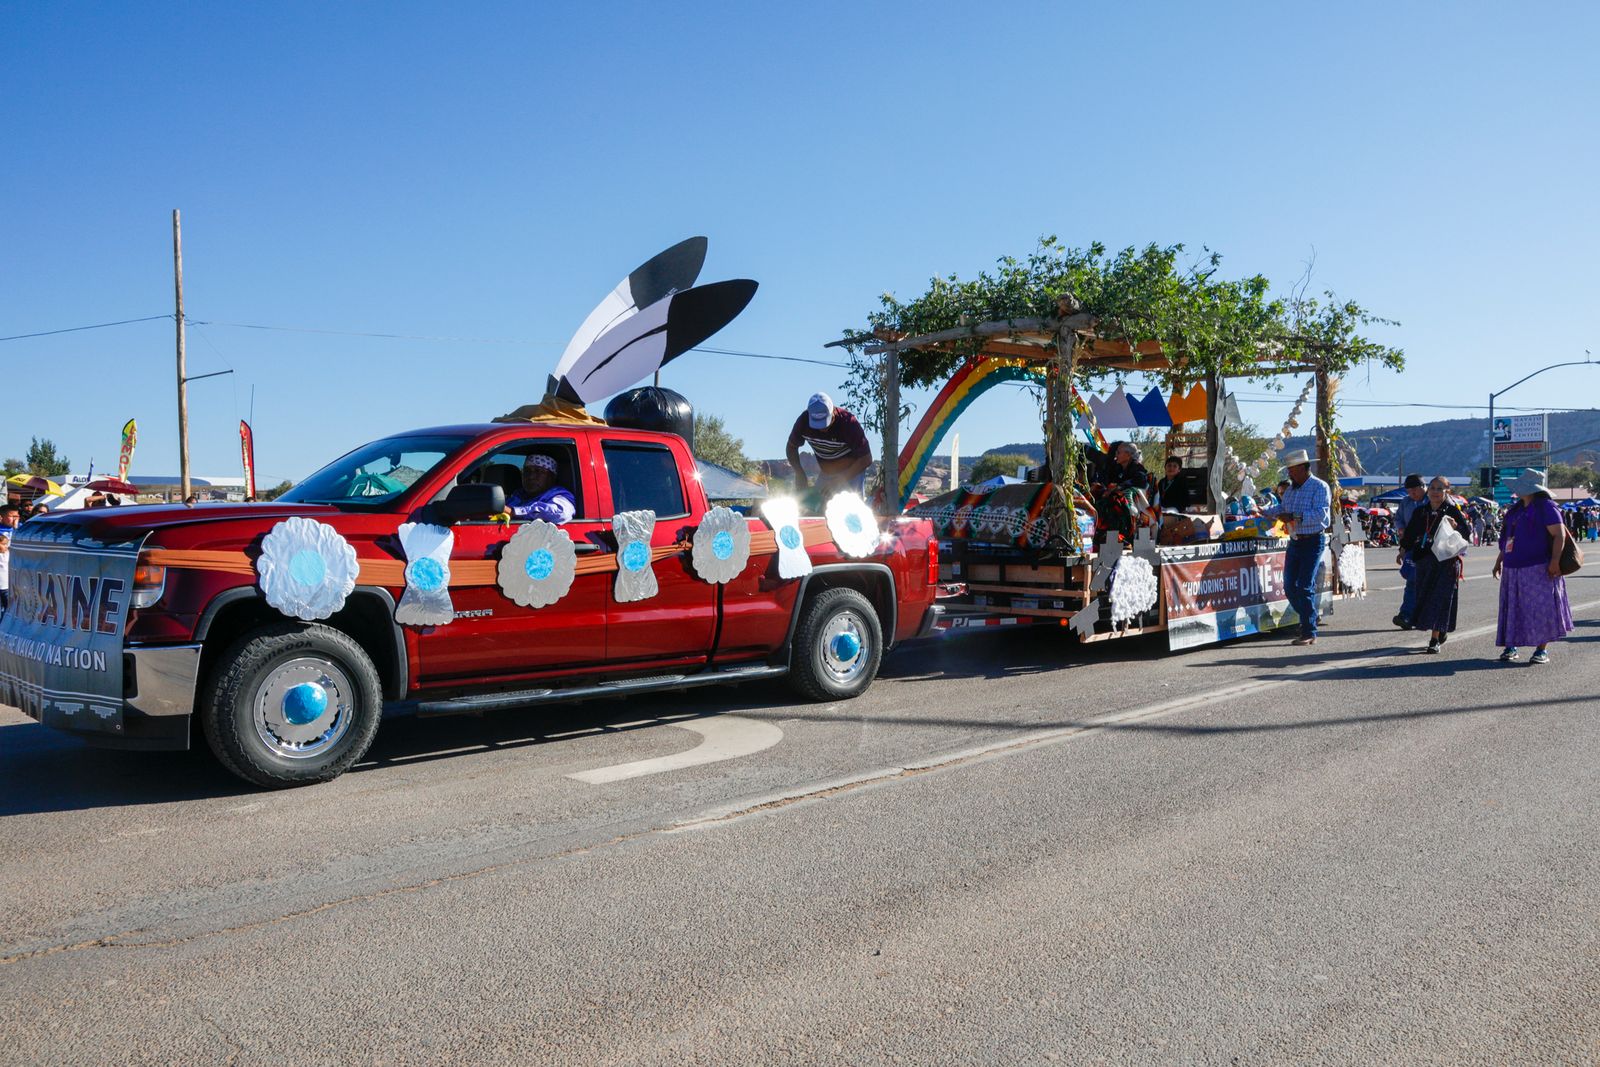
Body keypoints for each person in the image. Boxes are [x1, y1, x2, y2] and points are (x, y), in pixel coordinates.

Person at [1493, 469, 1573, 664]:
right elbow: (1508, 540)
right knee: (1514, 607)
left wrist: (1555, 561)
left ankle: (1541, 649)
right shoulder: (1516, 509)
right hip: (1513, 567)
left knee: (1540, 608)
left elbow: (1559, 535)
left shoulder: (1546, 507)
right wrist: (1499, 560)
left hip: (1538, 566)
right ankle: (1511, 646)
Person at [1399, 478, 1468, 653]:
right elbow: (1410, 533)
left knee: (1440, 598)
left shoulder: (1452, 511)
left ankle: (1434, 639)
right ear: (1428, 490)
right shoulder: (1421, 511)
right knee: (1426, 597)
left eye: (1440, 488)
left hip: (1446, 562)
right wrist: (1402, 550)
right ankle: (1440, 629)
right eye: (1432, 488)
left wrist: (1455, 526)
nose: (1435, 491)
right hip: (1424, 560)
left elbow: (1467, 533)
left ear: (1447, 491)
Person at [1274, 448, 1331, 646]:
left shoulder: (1320, 487)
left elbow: (1322, 517)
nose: (1289, 473)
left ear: (1302, 468)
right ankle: (1310, 618)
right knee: (1290, 586)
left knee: (1304, 585)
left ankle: (1308, 630)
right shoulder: (1290, 490)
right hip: (1296, 540)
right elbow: (1282, 509)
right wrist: (1264, 512)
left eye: (1292, 470)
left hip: (1313, 540)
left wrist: (1294, 518)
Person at [785, 392, 872, 498]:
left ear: (833, 413)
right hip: (827, 472)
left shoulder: (848, 423)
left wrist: (841, 480)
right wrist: (799, 472)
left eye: (825, 422)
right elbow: (791, 447)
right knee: (816, 506)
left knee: (850, 510)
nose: (821, 429)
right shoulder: (803, 422)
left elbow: (866, 459)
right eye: (817, 423)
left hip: (852, 472)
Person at [1391, 474, 1426, 629]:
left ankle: (1421, 617)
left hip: (1429, 548)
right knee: (1412, 581)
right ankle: (1406, 615)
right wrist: (1400, 529)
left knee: (1426, 584)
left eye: (1414, 491)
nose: (1412, 494)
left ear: (1423, 487)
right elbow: (1398, 518)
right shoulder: (1406, 502)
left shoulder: (1432, 500)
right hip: (1411, 546)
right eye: (1409, 492)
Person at [504, 453, 576, 524]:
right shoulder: (517, 495)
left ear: (552, 477)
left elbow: (560, 514)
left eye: (538, 471)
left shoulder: (558, 495)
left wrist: (514, 512)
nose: (531, 476)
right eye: (527, 471)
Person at [0, 503, 18, 616]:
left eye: (17, 516)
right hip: (3, 576)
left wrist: (16, 529)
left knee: (10, 609)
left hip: (12, 577)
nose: (15, 519)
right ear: (2, 516)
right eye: (12, 516)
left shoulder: (20, 529)